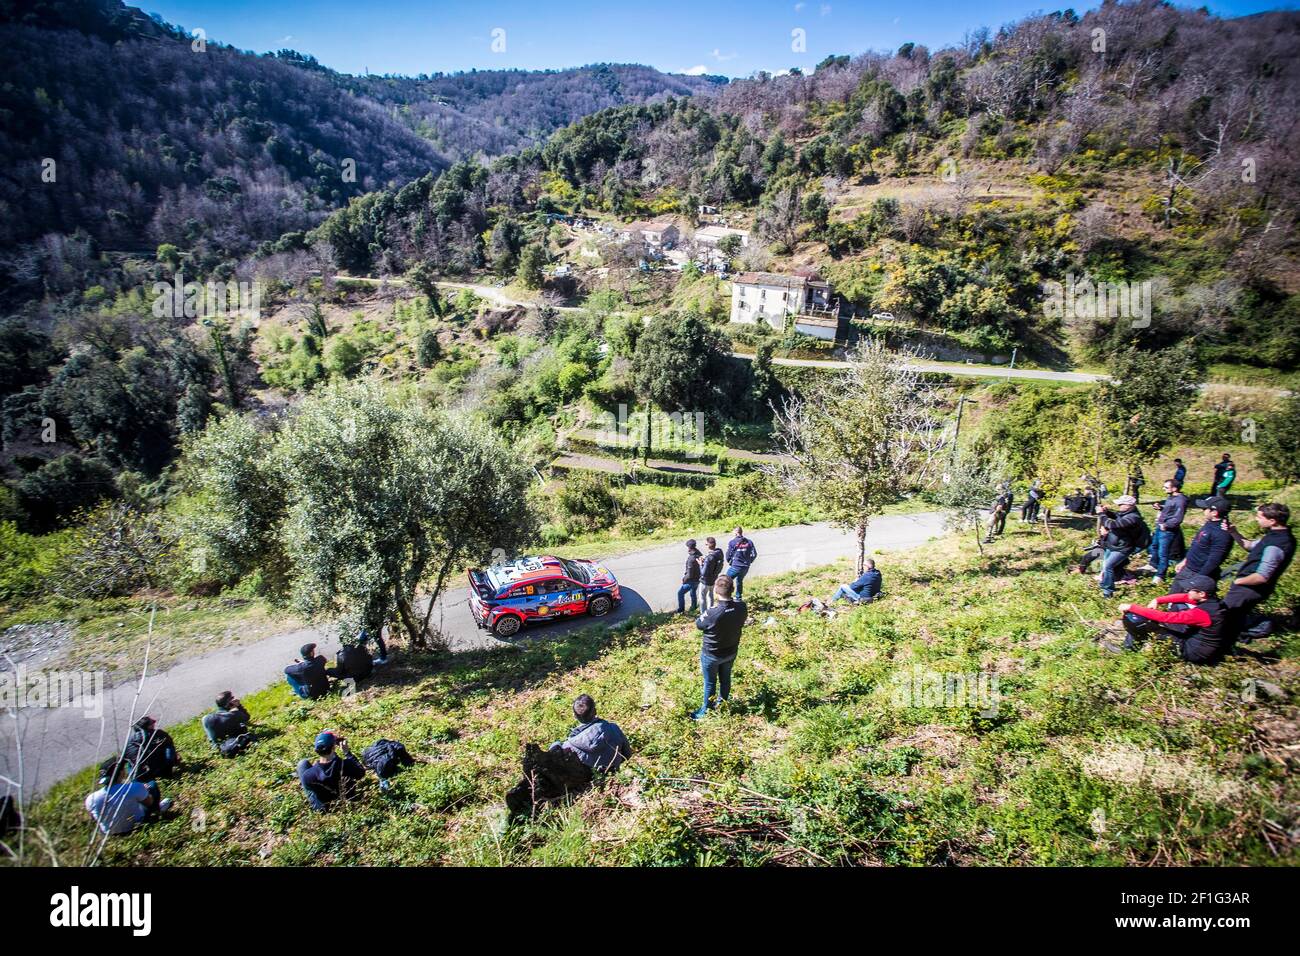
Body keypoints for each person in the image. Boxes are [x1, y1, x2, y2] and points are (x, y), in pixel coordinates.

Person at [1118, 574, 1231, 665]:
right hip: (1195, 639)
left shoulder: (1203, 613)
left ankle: (1128, 650)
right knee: (1177, 606)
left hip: (1191, 651)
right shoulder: (1212, 602)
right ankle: (1135, 645)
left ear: (1202, 594)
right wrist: (1158, 600)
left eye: (1191, 589)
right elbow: (1185, 597)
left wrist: (1132, 607)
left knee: (1141, 621)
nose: (1187, 591)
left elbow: (1165, 617)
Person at [1221, 503, 1295, 628]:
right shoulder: (1275, 535)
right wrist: (1233, 532)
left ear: (1272, 521)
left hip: (1249, 588)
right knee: (1233, 618)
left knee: (1225, 618)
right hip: (1247, 585)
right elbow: (1250, 546)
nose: (1256, 519)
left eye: (1259, 517)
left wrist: (1239, 581)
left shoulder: (1277, 544)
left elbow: (1262, 576)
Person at [692, 574, 747, 719]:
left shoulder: (712, 612)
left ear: (716, 591)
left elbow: (699, 624)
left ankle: (705, 711)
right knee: (726, 679)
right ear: (732, 590)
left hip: (712, 654)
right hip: (731, 651)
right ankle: (722, 704)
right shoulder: (742, 606)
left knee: (710, 683)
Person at [85, 760, 172, 836]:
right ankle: (158, 811)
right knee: (152, 785)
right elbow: (149, 802)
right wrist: (144, 790)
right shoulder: (133, 787)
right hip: (136, 826)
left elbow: (94, 817)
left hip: (109, 833)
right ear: (121, 772)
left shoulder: (90, 799)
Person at [552, 694, 632, 774]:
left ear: (574, 716)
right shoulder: (614, 728)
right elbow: (627, 755)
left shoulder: (569, 746)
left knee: (556, 744)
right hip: (614, 772)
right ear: (595, 711)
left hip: (591, 780)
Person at [1171, 496, 1236, 590]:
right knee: (1172, 600)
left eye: (1205, 508)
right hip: (1188, 569)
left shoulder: (1222, 533)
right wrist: (1184, 561)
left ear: (1214, 512)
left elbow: (1214, 560)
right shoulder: (1210, 523)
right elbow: (1195, 545)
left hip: (1198, 574)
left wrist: (1198, 579)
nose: (1202, 510)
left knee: (1185, 603)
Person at [297, 731, 366, 811]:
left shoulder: (308, 775)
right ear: (333, 748)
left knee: (302, 764)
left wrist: (316, 766)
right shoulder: (345, 765)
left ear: (316, 751)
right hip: (347, 801)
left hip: (323, 808)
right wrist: (347, 752)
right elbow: (361, 772)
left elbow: (310, 787)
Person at [1096, 495, 1149, 598]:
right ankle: (1105, 583)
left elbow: (1112, 525)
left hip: (1123, 548)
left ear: (1130, 505)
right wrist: (1106, 512)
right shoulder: (1126, 513)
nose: (1119, 506)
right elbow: (1117, 516)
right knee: (1106, 565)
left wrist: (1101, 514)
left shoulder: (1133, 518)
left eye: (1121, 504)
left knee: (1108, 566)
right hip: (1115, 545)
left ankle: (1108, 592)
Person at [1145, 478, 1188, 584]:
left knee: (1163, 553)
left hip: (1167, 530)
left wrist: (1166, 525)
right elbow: (1171, 510)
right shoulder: (1172, 497)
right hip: (1160, 527)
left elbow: (1178, 518)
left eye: (1166, 487)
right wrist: (1161, 508)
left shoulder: (1181, 500)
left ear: (1174, 488)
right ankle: (1153, 565)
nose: (1163, 489)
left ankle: (1160, 575)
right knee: (1154, 546)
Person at [122, 716, 180, 782]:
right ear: (148, 726)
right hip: (156, 769)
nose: (154, 724)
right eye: (152, 723)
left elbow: (125, 757)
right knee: (168, 747)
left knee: (131, 763)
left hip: (138, 774)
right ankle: (167, 773)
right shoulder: (159, 734)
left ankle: (134, 780)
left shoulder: (129, 740)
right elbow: (169, 749)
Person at [725, 526, 758, 599]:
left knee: (726, 581)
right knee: (739, 581)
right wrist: (749, 561)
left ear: (736, 533)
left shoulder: (732, 542)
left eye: (733, 531)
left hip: (736, 566)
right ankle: (738, 597)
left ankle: (727, 597)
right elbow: (754, 554)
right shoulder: (749, 542)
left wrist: (730, 562)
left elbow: (728, 555)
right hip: (745, 567)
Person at [677, 539, 703, 614]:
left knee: (680, 593)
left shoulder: (691, 559)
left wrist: (684, 579)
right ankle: (694, 606)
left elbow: (690, 574)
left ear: (689, 547)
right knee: (693, 592)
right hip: (698, 578)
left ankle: (681, 610)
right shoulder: (699, 553)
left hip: (691, 580)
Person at [699, 537, 724, 611]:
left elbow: (703, 573)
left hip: (705, 581)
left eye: (706, 543)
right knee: (710, 595)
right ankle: (711, 610)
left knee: (702, 597)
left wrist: (701, 564)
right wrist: (706, 558)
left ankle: (703, 613)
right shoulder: (719, 552)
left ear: (708, 545)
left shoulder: (709, 558)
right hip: (714, 578)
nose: (705, 544)